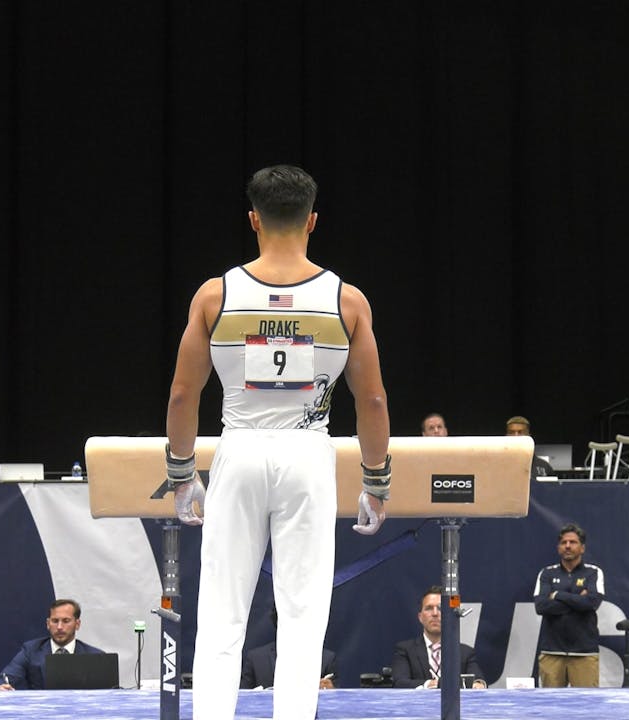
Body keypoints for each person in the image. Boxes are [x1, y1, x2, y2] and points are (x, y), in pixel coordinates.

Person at [164, 165, 391, 720]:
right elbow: (372, 401)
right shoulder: (347, 301)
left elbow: (183, 394)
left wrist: (181, 472)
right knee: (302, 615)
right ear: (312, 221)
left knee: (221, 612)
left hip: (238, 449)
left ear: (253, 220)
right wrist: (376, 480)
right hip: (308, 454)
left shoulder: (216, 296)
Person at [533, 523, 603, 688]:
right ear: (558, 547)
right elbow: (541, 606)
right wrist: (578, 601)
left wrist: (557, 595)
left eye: (573, 542)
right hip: (551, 652)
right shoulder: (547, 573)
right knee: (551, 703)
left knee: (587, 703)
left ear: (582, 548)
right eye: (564, 542)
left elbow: (592, 602)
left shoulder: (593, 572)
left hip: (584, 653)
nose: (568, 546)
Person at [0, 598, 105, 690]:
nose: (59, 627)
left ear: (77, 624)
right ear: (48, 624)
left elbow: (109, 694)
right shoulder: (31, 651)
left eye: (66, 621)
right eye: (55, 621)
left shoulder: (95, 656)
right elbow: (2, 679)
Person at [391, 587, 487, 689]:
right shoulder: (405, 650)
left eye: (441, 608)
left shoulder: (465, 652)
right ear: (420, 617)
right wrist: (431, 684)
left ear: (451, 615)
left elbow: (479, 681)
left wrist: (478, 685)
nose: (435, 613)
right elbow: (399, 682)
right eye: (429, 608)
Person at [240, 607, 338, 690]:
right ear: (277, 619)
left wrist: (331, 691)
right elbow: (242, 699)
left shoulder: (326, 659)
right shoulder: (256, 659)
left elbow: (337, 701)